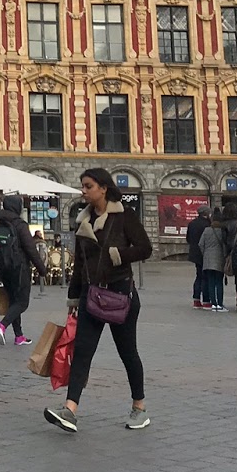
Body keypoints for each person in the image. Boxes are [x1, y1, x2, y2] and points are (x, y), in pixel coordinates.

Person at [44, 167, 153, 434]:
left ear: (103, 188)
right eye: (82, 186)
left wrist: (119, 255)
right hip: (91, 297)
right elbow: (79, 265)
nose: (83, 191)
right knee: (82, 351)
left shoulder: (123, 216)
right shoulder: (83, 222)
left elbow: (145, 248)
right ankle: (70, 410)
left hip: (120, 296)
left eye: (88, 186)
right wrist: (73, 298)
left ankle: (139, 407)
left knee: (128, 353)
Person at [0, 194, 46, 345]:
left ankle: (19, 336)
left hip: (3, 267)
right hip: (19, 267)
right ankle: (3, 325)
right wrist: (42, 269)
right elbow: (30, 249)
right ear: (18, 207)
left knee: (13, 300)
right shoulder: (20, 224)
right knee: (22, 302)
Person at [198, 203, 227, 311]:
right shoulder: (222, 231)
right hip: (220, 259)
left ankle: (213, 303)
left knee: (210, 281)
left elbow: (201, 244)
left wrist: (205, 254)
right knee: (219, 282)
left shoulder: (207, 230)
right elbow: (225, 245)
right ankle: (220, 304)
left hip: (208, 259)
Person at [186, 205, 211, 308]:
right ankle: (206, 300)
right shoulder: (207, 224)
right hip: (205, 253)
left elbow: (188, 238)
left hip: (195, 254)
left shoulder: (192, 223)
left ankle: (196, 300)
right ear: (206, 213)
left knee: (198, 276)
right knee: (205, 277)